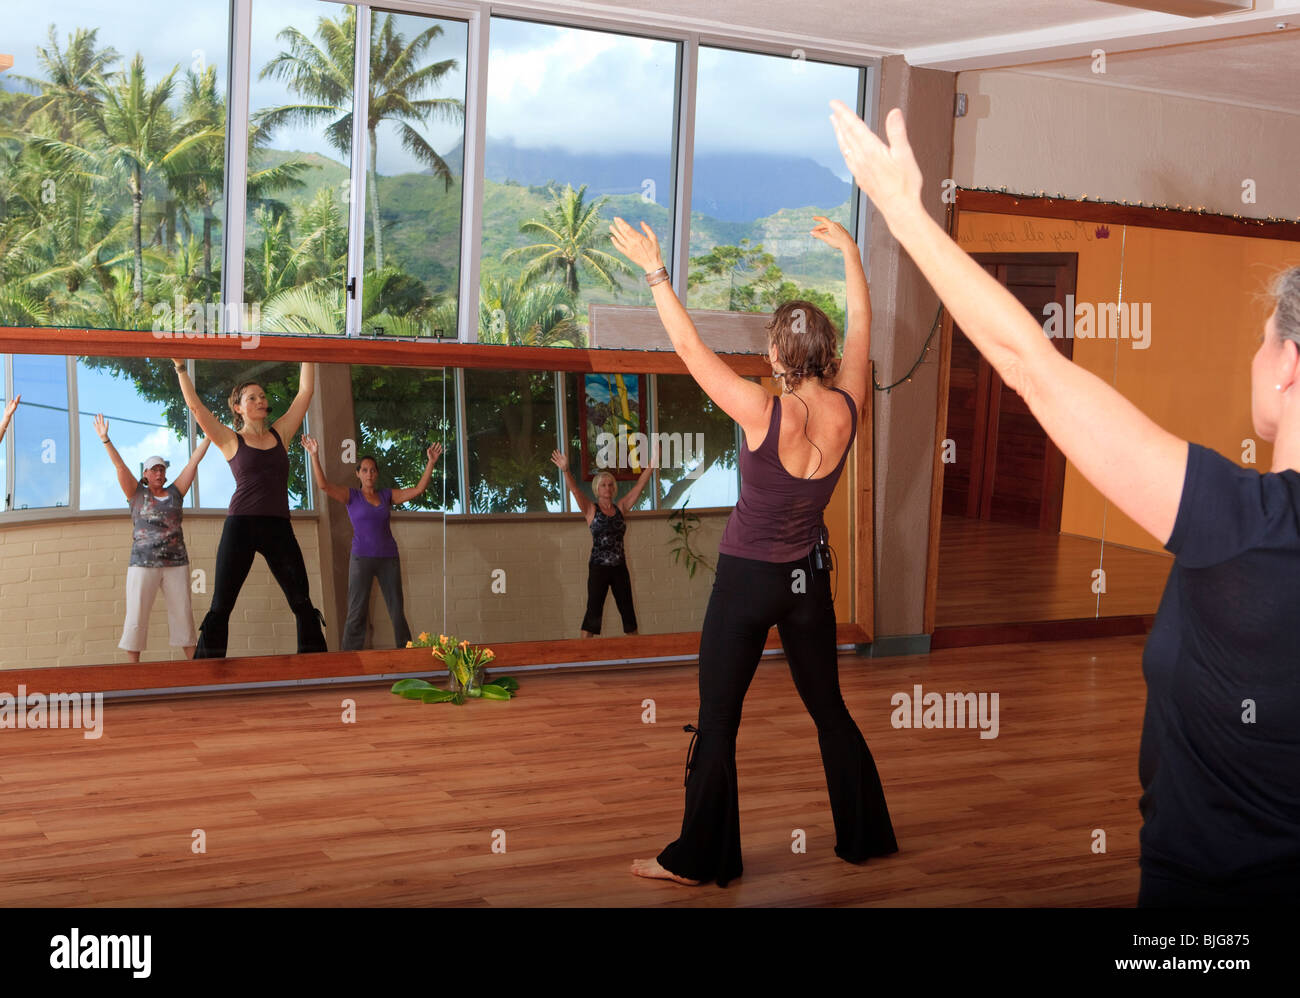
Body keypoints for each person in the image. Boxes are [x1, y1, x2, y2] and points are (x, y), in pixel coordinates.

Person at [829, 101, 1300, 907]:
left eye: (1263, 337)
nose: (1254, 355)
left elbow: (1030, 365)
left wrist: (905, 212)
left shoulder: (1243, 528)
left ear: (1288, 363)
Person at [609, 214, 897, 886]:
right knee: (829, 709)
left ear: (775, 357)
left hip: (745, 583)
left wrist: (655, 271)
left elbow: (688, 349)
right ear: (826, 354)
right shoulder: (849, 405)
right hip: (806, 585)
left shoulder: (763, 411)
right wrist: (852, 252)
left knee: (718, 721)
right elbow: (864, 324)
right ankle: (866, 835)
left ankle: (699, 860)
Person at [172, 360, 328, 658]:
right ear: (239, 408)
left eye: (262, 396)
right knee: (222, 604)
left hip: (278, 526)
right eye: (251, 398)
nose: (260, 400)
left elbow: (305, 392)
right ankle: (205, 673)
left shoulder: (281, 433)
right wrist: (181, 369)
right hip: (241, 525)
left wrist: (309, 354)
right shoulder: (231, 439)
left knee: (301, 601)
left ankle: (315, 666)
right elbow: (196, 408)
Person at [301, 435, 442, 650]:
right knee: (356, 611)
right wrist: (314, 455)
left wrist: (431, 462)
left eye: (373, 470)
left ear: (377, 474)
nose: (369, 474)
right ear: (358, 473)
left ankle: (408, 655)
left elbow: (417, 490)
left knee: (396, 611)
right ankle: (350, 660)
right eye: (364, 470)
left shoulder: (386, 495)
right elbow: (323, 485)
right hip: (361, 558)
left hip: (388, 558)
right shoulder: (352, 496)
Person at [93, 414, 211, 661]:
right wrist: (105, 440)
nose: (159, 472)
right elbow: (120, 467)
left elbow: (193, 463)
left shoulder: (175, 493)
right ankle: (133, 672)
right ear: (145, 474)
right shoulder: (136, 494)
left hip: (176, 563)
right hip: (142, 563)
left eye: (162, 469)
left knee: (183, 614)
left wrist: (210, 435)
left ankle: (194, 670)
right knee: (136, 614)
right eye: (154, 469)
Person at [551, 450, 653, 638]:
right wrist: (565, 470)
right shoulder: (591, 510)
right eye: (603, 485)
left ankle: (638, 655)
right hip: (598, 567)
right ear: (597, 489)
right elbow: (574, 491)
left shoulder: (621, 507)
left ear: (614, 488)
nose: (607, 488)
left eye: (610, 485)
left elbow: (640, 485)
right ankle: (584, 656)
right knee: (593, 612)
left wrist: (653, 463)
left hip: (619, 567)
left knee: (628, 611)